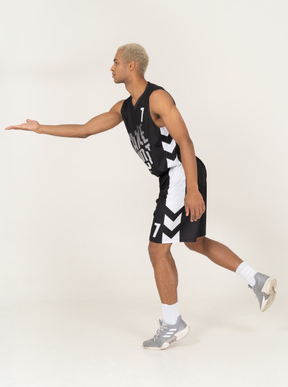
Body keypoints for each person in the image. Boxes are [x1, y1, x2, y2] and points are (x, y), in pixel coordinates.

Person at [5, 43, 277, 351]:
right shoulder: (124, 108)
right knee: (194, 242)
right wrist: (40, 128)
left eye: (116, 62)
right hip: (170, 178)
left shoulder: (157, 98)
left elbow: (185, 141)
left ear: (132, 66)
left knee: (157, 250)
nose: (111, 67)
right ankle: (256, 279)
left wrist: (192, 189)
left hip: (180, 172)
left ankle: (173, 323)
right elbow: (84, 130)